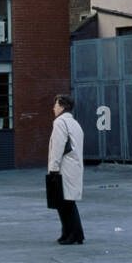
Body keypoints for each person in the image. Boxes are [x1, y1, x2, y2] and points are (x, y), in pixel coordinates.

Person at [48, 94, 85, 244]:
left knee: (64, 204)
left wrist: (53, 168)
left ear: (62, 107)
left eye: (56, 105)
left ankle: (72, 234)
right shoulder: (75, 123)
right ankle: (72, 234)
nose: (54, 108)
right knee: (68, 202)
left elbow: (57, 147)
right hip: (74, 167)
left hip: (63, 167)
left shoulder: (59, 122)